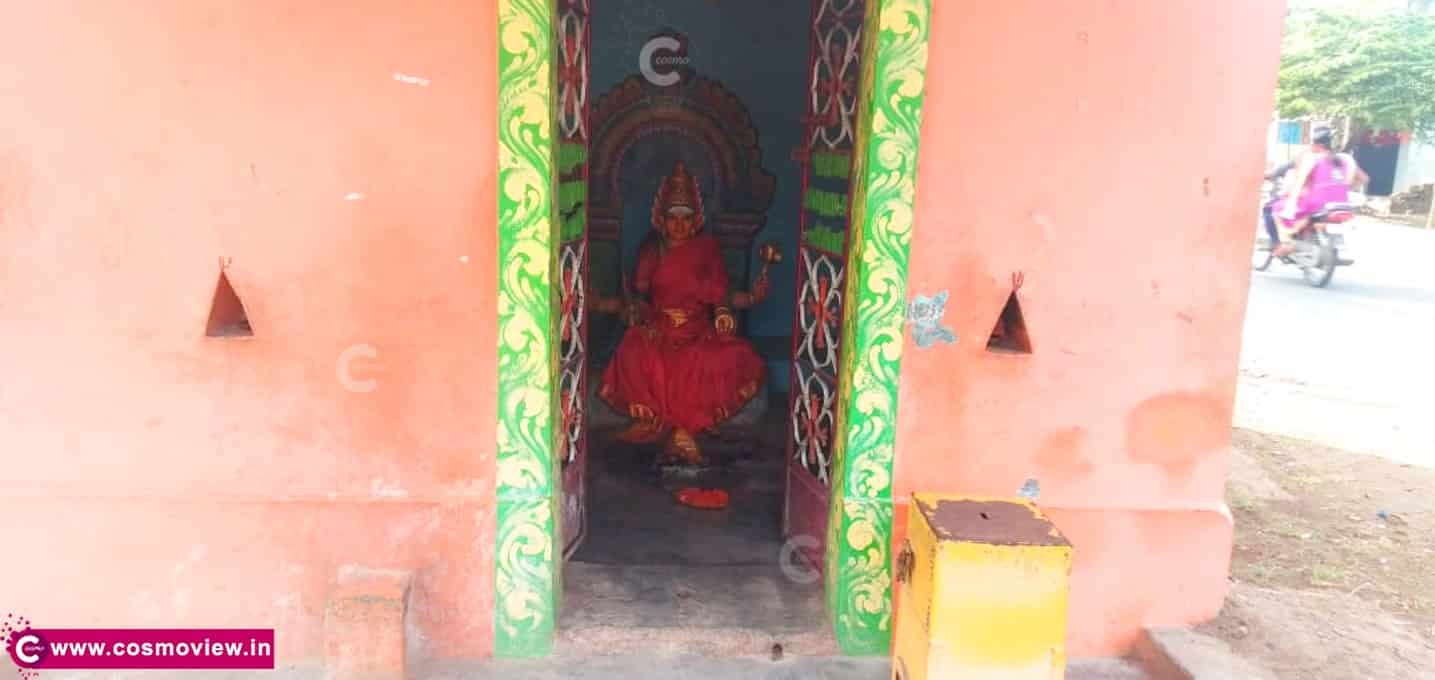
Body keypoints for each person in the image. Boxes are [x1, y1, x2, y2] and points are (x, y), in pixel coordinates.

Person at [594, 161, 769, 465]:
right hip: (660, 326)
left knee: (721, 357)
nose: (679, 224)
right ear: (661, 219)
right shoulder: (652, 251)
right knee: (634, 347)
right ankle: (663, 424)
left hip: (697, 328)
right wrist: (642, 315)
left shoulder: (707, 250)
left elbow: (721, 296)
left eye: (685, 217)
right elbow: (640, 299)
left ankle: (681, 429)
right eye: (672, 217)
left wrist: (729, 311)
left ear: (696, 220)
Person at [1268, 126, 1363, 257]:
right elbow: (1350, 181)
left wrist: (1290, 199)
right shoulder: (1344, 160)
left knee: (1277, 207)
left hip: (1319, 202)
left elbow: (1299, 182)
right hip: (1342, 203)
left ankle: (1286, 243)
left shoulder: (1312, 159)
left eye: (1312, 144)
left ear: (1317, 145)